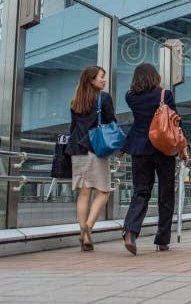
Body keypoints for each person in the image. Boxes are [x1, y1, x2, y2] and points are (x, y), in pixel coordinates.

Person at [121, 63, 189, 255]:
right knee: (166, 195)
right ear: (155, 77)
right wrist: (183, 149)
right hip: (163, 149)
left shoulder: (130, 97)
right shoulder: (165, 95)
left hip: (139, 150)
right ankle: (162, 240)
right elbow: (176, 122)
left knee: (140, 192)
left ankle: (130, 230)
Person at [67, 65, 116, 252]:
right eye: (101, 77)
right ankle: (88, 227)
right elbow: (111, 122)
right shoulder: (103, 98)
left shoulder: (75, 101)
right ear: (92, 80)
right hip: (95, 148)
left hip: (76, 149)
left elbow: (72, 128)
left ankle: (83, 231)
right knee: (103, 191)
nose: (104, 80)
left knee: (84, 192)